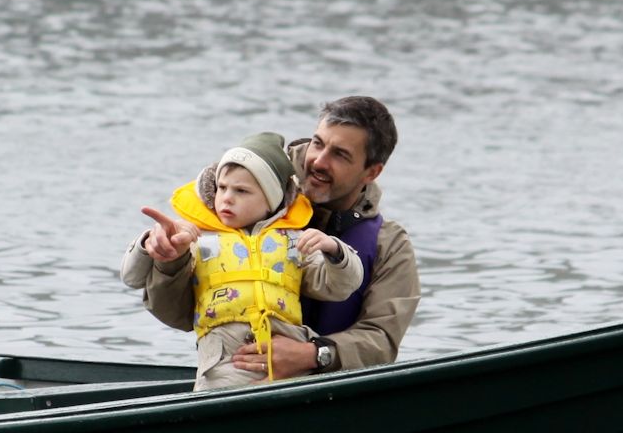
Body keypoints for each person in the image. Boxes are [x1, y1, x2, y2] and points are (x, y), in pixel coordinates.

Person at [124, 96, 419, 380]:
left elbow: (382, 340)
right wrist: (169, 262)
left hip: (328, 390)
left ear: (372, 171)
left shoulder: (390, 245)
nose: (318, 161)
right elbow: (176, 315)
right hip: (233, 373)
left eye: (340, 154)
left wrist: (312, 355)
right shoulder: (246, 188)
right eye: (317, 143)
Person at [129, 132, 362, 390]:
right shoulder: (194, 238)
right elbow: (132, 277)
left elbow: (342, 286)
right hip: (224, 364)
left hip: (289, 361)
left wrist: (335, 250)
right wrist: (152, 242)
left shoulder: (294, 243)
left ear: (270, 203)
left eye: (241, 191)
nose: (227, 197)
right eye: (222, 187)